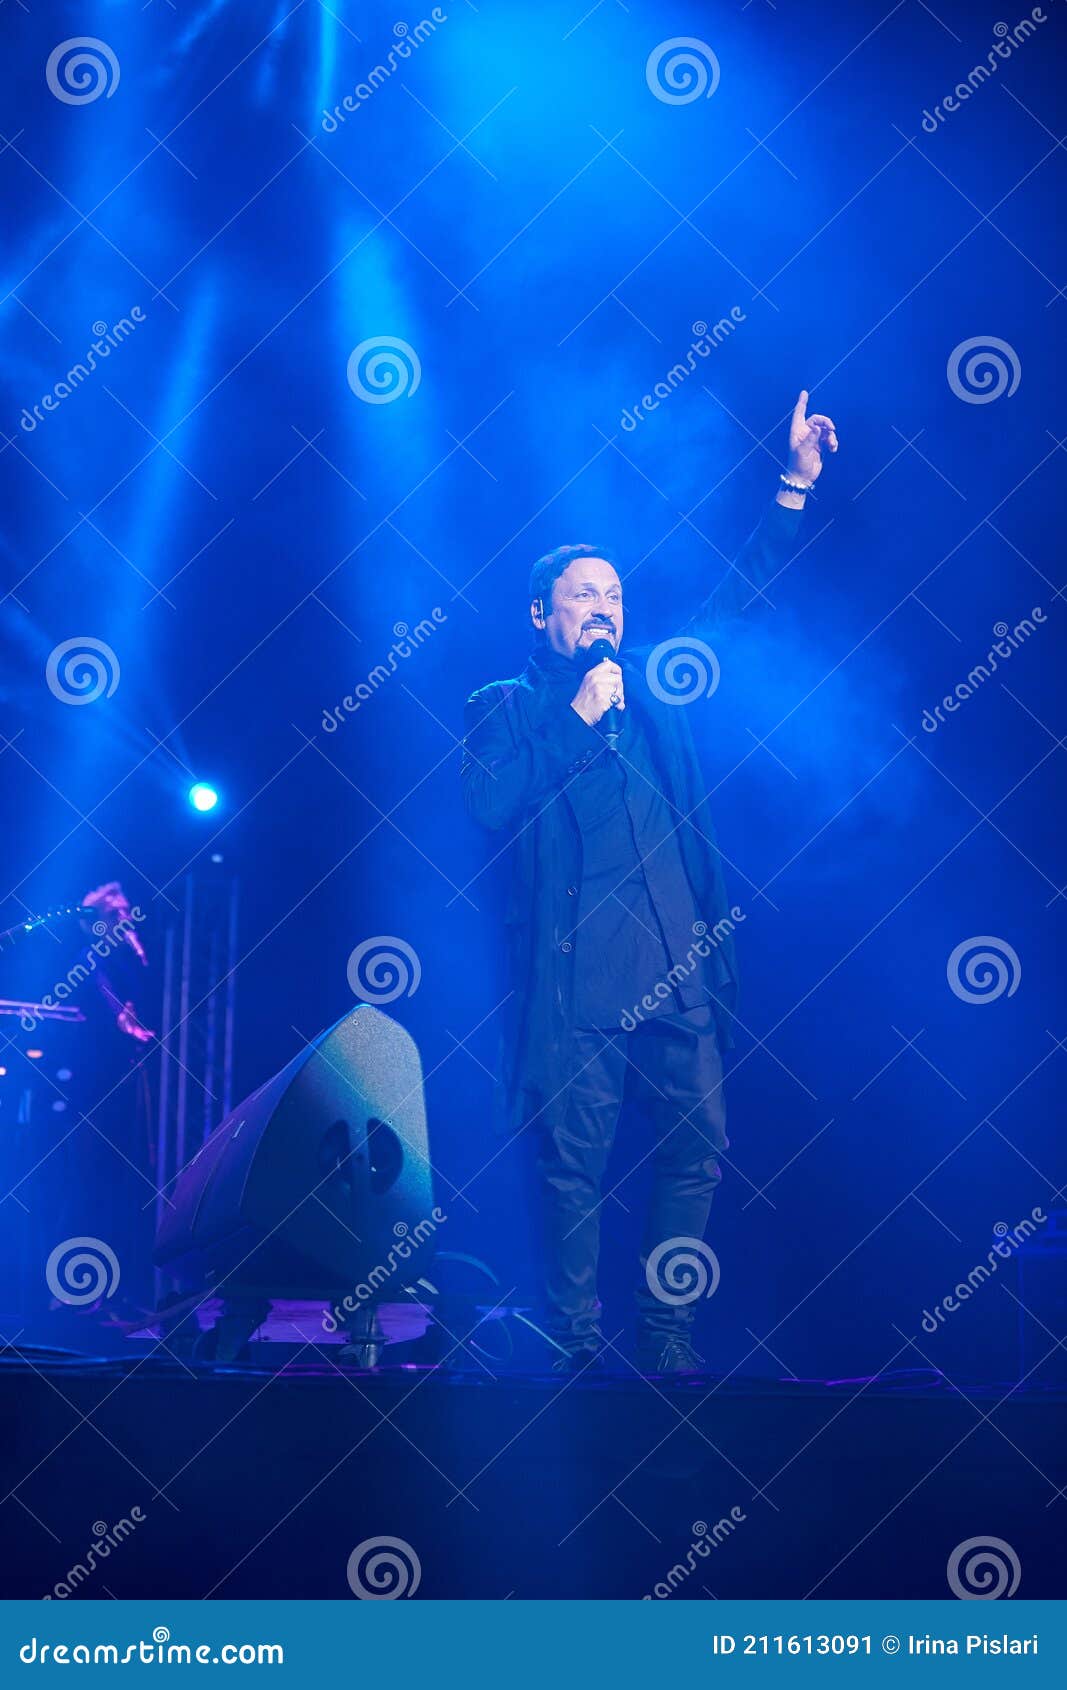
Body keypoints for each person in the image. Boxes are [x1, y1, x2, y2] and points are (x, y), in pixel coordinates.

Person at [461, 393, 839, 1374]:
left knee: (695, 1154)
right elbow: (490, 803)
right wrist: (575, 718)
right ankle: (575, 1353)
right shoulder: (507, 706)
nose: (604, 608)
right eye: (584, 595)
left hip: (677, 968)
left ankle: (666, 1340)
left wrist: (792, 485)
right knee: (572, 1172)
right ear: (541, 614)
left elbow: (731, 611)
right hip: (577, 984)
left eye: (614, 596)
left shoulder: (653, 692)